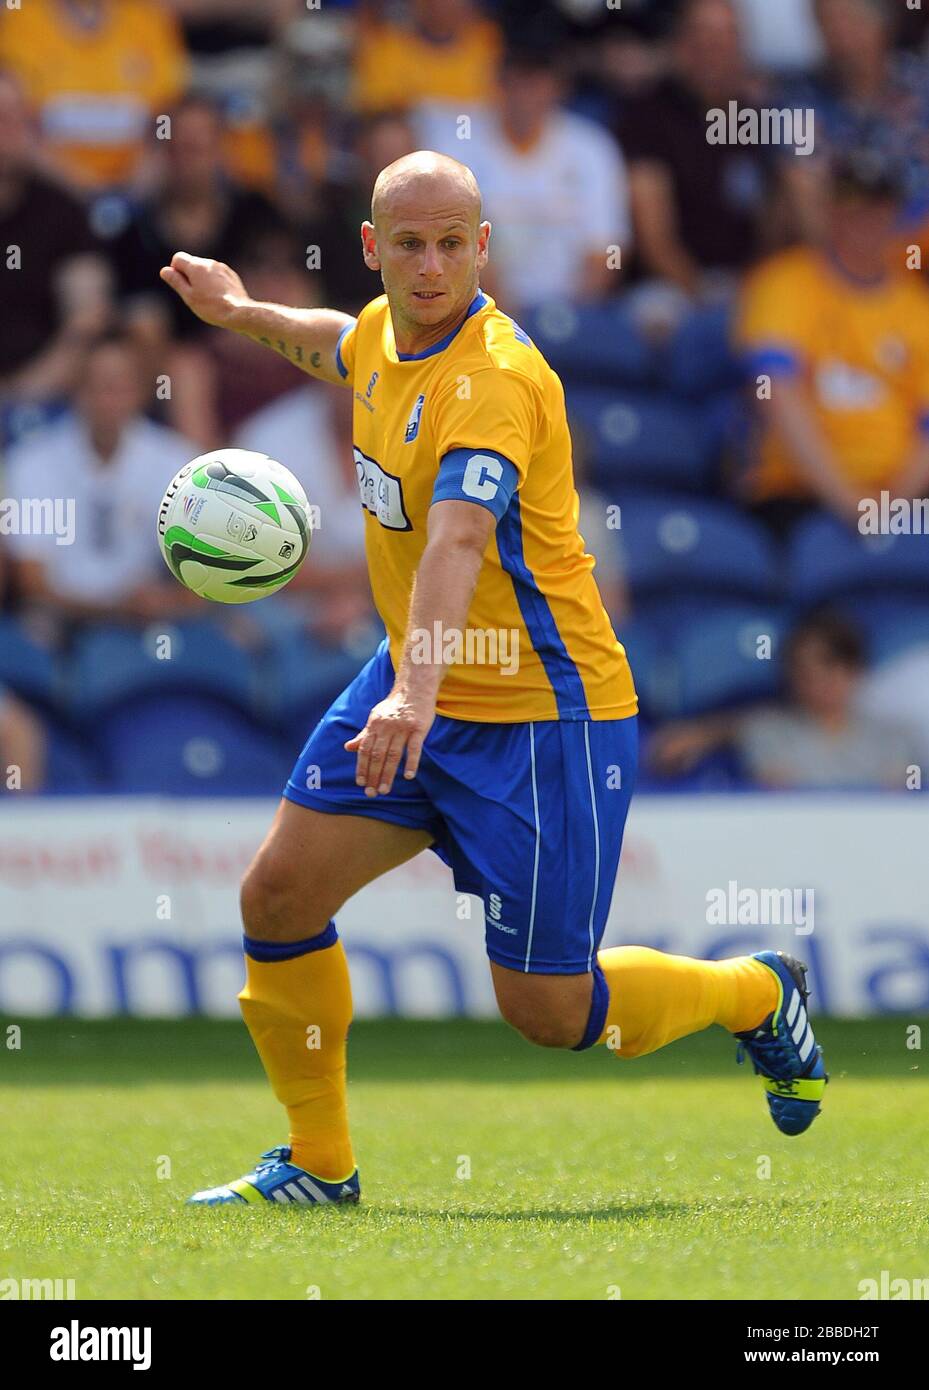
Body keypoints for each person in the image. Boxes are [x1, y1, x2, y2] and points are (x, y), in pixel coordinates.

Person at [160, 149, 827, 1209]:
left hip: (537, 714)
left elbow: (459, 540)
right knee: (277, 894)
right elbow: (338, 341)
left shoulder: (497, 382)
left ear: (483, 247)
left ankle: (754, 992)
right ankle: (322, 1166)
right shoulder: (385, 329)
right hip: (416, 682)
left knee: (550, 1013)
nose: (430, 266)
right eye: (409, 246)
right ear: (374, 251)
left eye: (451, 243)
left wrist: (411, 696)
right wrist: (240, 309)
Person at [736, 153, 929, 538]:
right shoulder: (783, 283)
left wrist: (889, 504)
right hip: (797, 492)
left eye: (876, 208)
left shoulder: (915, 303)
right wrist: (850, 502)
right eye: (851, 206)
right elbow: (776, 394)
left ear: (893, 215)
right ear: (830, 209)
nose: (863, 221)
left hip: (903, 499)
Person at [5, 336, 197, 630]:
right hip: (60, 619)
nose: (109, 400)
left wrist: (167, 601)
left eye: (120, 387)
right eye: (99, 386)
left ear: (140, 392)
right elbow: (32, 582)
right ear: (76, 390)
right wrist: (112, 608)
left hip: (150, 616)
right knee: (34, 631)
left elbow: (204, 571)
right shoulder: (30, 463)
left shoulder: (178, 462)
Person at [651, 610, 922, 789]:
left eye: (830, 667)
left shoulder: (895, 737)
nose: (818, 681)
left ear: (856, 671)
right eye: (805, 671)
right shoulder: (766, 731)